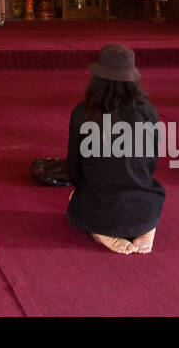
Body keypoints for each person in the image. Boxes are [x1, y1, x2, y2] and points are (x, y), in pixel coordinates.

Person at [61, 44, 166, 255]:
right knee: (146, 190)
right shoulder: (149, 111)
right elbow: (151, 162)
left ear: (97, 79)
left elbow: (73, 165)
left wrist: (79, 189)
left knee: (76, 203)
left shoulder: (83, 113)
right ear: (133, 80)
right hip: (143, 203)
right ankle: (145, 225)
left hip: (102, 204)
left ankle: (102, 230)